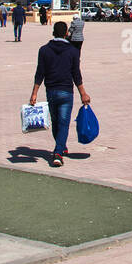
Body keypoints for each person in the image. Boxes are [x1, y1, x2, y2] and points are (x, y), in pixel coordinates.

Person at [29, 21, 91, 168]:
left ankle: (60, 147)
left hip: (51, 91)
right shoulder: (73, 51)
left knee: (56, 122)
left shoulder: (44, 50)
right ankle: (58, 152)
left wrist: (34, 94)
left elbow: (40, 73)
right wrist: (83, 93)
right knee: (63, 123)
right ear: (66, 34)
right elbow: (76, 74)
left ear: (53, 33)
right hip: (66, 92)